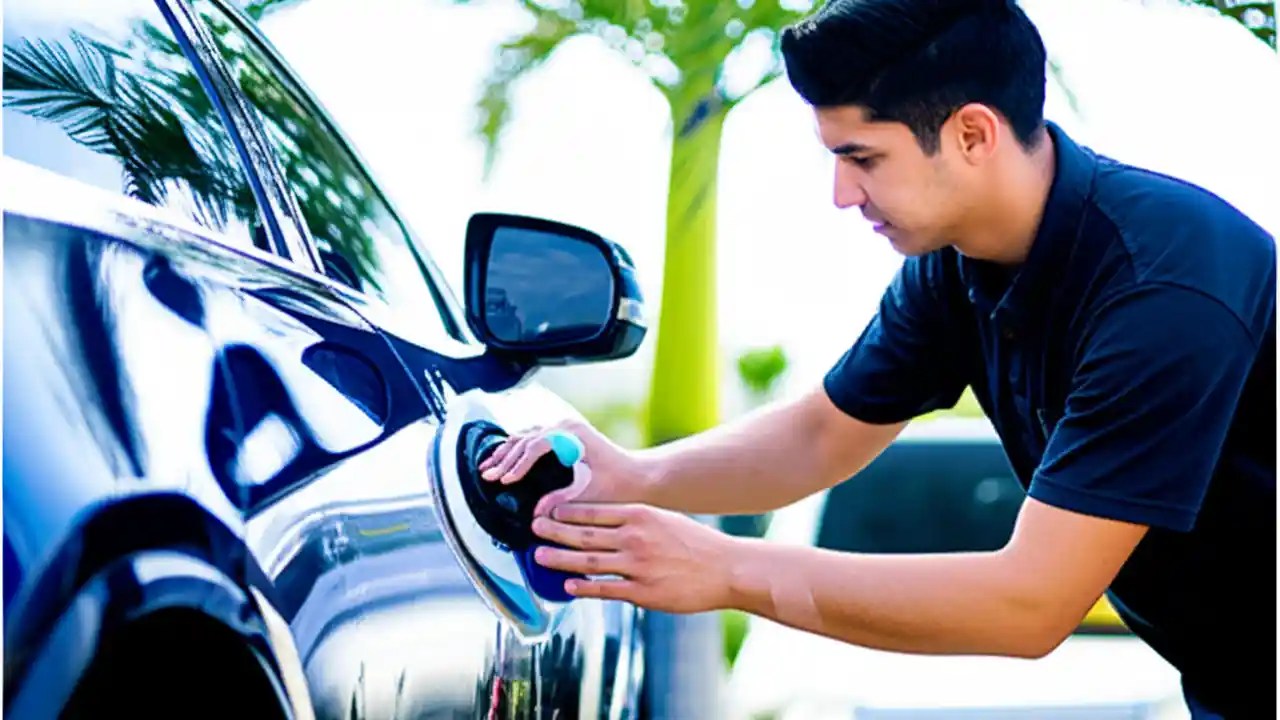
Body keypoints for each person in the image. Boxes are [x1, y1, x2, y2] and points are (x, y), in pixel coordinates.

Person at [478, 0, 1276, 716]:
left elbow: (1029, 604)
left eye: (863, 159)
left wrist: (725, 570)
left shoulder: (1163, 284)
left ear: (971, 134)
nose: (841, 194)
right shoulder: (957, 266)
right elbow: (823, 434)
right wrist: (633, 475)